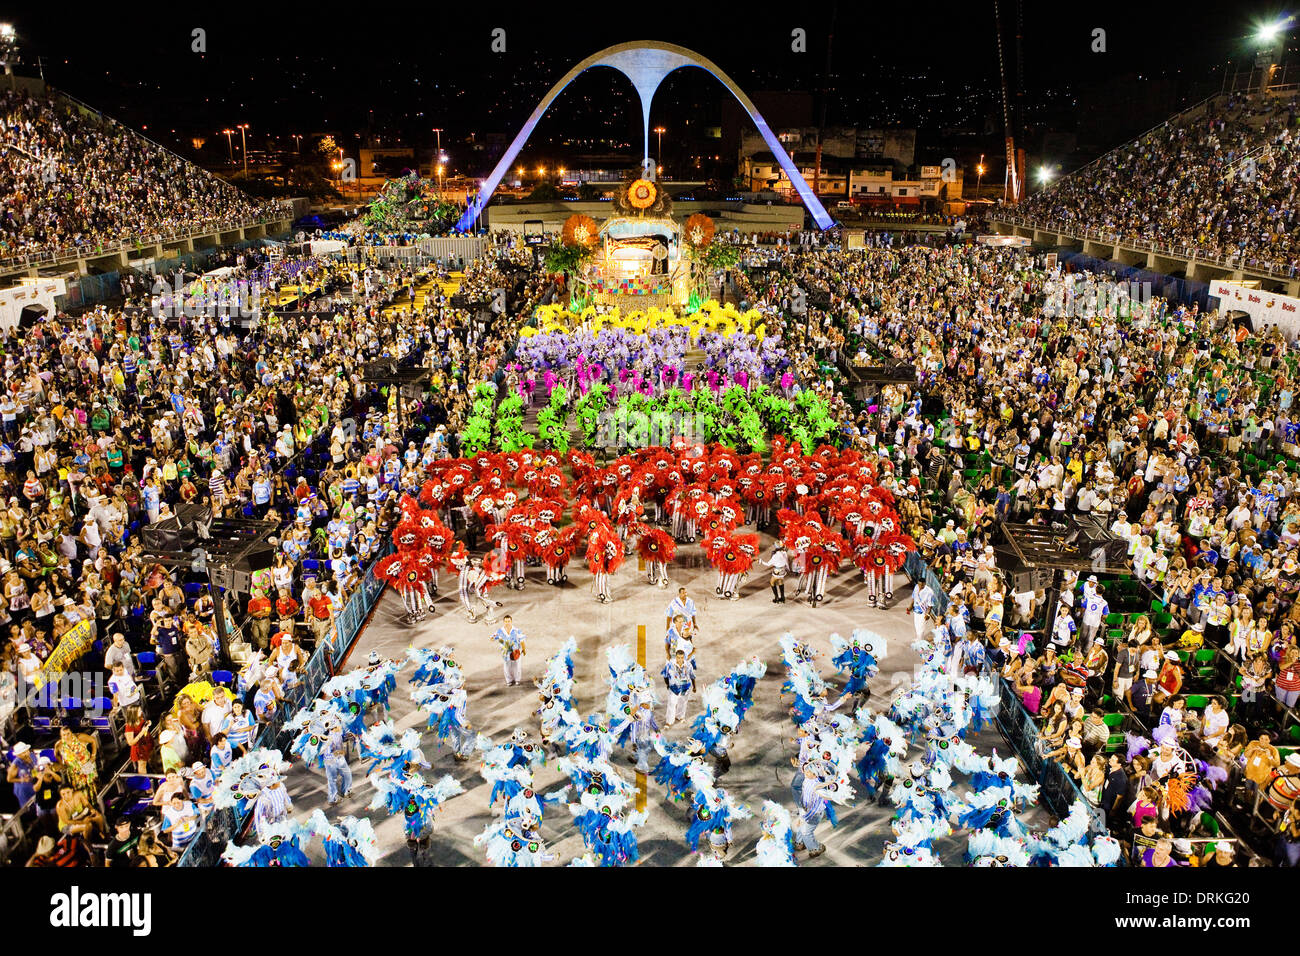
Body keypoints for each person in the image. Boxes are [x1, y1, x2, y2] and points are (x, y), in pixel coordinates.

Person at [661, 645, 697, 727]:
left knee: (683, 702)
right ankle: (669, 721)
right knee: (672, 704)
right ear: (676, 657)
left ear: (684, 657)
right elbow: (665, 675)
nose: (680, 659)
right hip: (674, 688)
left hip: (686, 687)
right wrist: (667, 684)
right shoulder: (670, 665)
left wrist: (694, 687)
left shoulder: (688, 665)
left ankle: (680, 716)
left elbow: (692, 676)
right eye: (678, 657)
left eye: (681, 657)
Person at [490, 615, 526, 686]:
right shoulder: (500, 631)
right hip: (505, 652)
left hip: (516, 651)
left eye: (508, 621)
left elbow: (522, 640)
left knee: (517, 666)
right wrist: (497, 637)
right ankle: (508, 680)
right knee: (507, 666)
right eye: (506, 621)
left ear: (511, 621)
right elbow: (492, 638)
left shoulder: (517, 630)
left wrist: (524, 649)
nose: (507, 623)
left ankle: (517, 680)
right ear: (503, 622)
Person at [322, 724, 353, 806]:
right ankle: (332, 798)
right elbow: (324, 752)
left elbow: (342, 738)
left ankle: (346, 791)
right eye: (338, 725)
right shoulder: (325, 737)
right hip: (330, 761)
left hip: (340, 758)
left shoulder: (339, 732)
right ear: (333, 728)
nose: (340, 726)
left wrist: (347, 736)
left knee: (347, 774)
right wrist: (338, 753)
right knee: (332, 780)